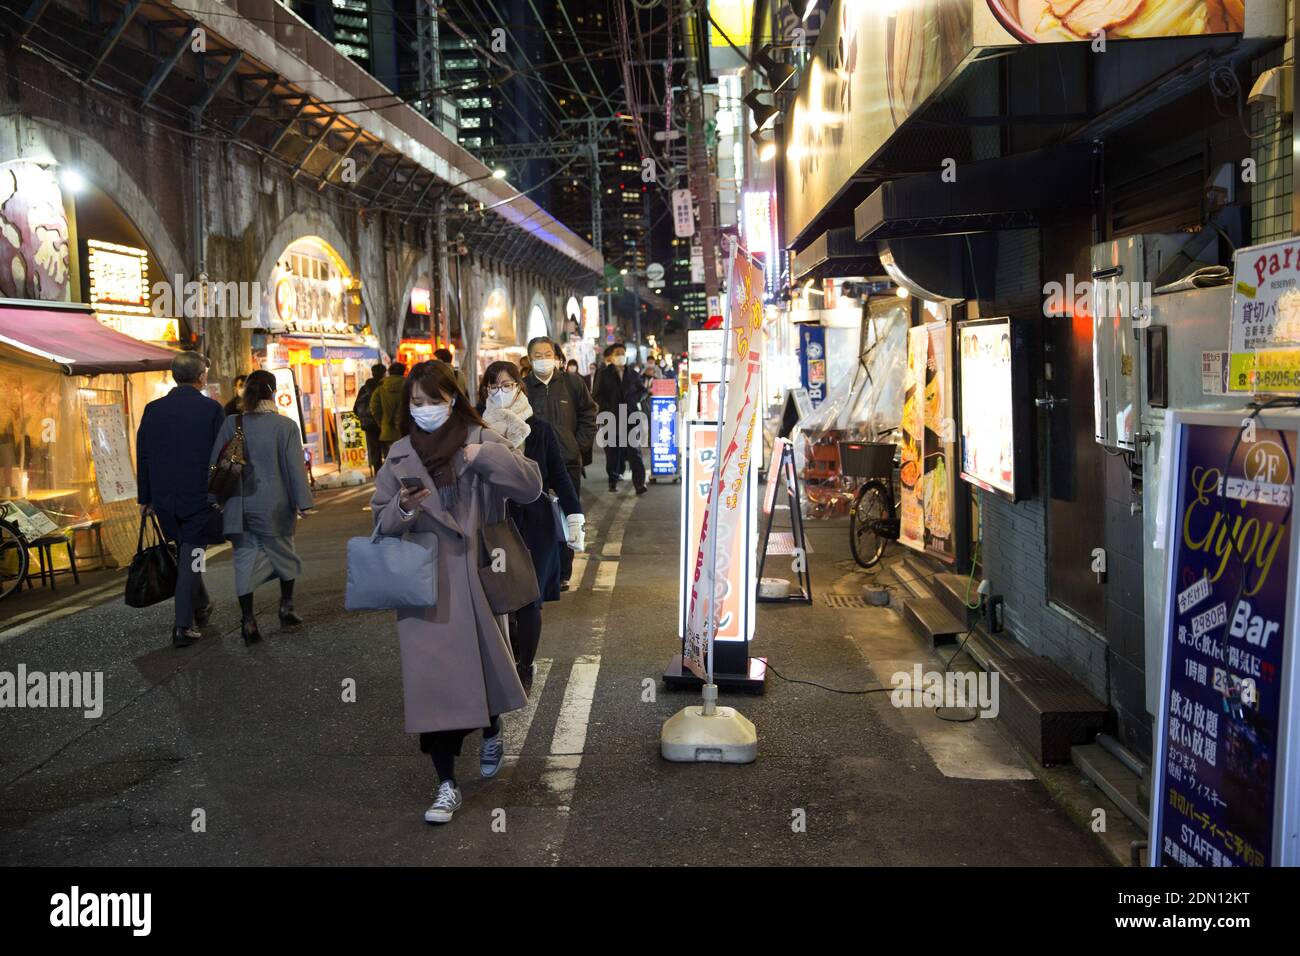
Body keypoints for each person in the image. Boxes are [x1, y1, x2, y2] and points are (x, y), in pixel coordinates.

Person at [370, 360, 542, 825]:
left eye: (432, 401)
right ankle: (445, 784)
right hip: (424, 589)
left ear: (453, 399)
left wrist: (483, 457)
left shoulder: (481, 439)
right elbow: (379, 521)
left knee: (480, 675)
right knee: (435, 691)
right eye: (416, 403)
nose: (423, 410)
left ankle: (491, 727)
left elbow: (530, 488)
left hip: (476, 580)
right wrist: (402, 508)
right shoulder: (400, 453)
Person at [476, 361, 584, 691]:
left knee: (528, 598)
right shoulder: (478, 430)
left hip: (535, 521)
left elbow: (560, 477)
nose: (499, 392)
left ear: (520, 388)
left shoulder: (540, 429)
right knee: (498, 595)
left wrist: (574, 516)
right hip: (495, 520)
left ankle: (525, 665)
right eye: (492, 387)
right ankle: (505, 659)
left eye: (506, 385)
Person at [210, 370, 315, 645]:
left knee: (244, 563)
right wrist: (303, 502)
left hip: (238, 506)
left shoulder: (232, 422)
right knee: (284, 556)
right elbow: (295, 469)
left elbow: (216, 464)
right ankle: (286, 607)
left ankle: (248, 621)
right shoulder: (285, 426)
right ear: (272, 392)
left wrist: (215, 499)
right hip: (275, 506)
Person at [135, 351, 225, 648]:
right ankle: (182, 625)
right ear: (201, 376)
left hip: (164, 499)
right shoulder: (211, 409)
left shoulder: (153, 409)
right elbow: (222, 457)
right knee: (192, 557)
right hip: (198, 497)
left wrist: (146, 498)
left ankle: (201, 605)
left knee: (187, 553)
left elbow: (144, 456)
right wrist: (222, 494)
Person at [521, 336, 596, 589]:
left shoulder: (573, 384)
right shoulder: (522, 388)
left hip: (566, 462)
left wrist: (579, 445)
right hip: (533, 465)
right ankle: (541, 569)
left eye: (547, 354)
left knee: (567, 515)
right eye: (537, 355)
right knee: (537, 517)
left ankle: (563, 572)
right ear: (530, 359)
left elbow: (589, 413)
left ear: (556, 356)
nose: (543, 359)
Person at [592, 342, 648, 494]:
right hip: (611, 418)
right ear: (611, 357)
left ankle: (639, 484)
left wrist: (634, 399)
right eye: (617, 353)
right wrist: (608, 406)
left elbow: (643, 391)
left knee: (634, 453)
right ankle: (613, 480)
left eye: (622, 353)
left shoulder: (633, 374)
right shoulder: (604, 374)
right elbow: (596, 394)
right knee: (613, 452)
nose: (620, 356)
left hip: (630, 418)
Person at [369, 362, 406, 461]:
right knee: (406, 458)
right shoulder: (409, 386)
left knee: (389, 459)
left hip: (387, 430)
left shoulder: (381, 388)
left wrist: (381, 422)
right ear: (404, 372)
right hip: (405, 430)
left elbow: (374, 407)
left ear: (389, 372)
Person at [353, 363, 386, 475]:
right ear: (384, 373)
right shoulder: (385, 387)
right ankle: (389, 475)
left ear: (372, 373)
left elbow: (355, 408)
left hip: (370, 425)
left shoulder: (364, 388)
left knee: (375, 451)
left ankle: (378, 474)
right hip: (384, 424)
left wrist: (366, 419)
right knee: (388, 450)